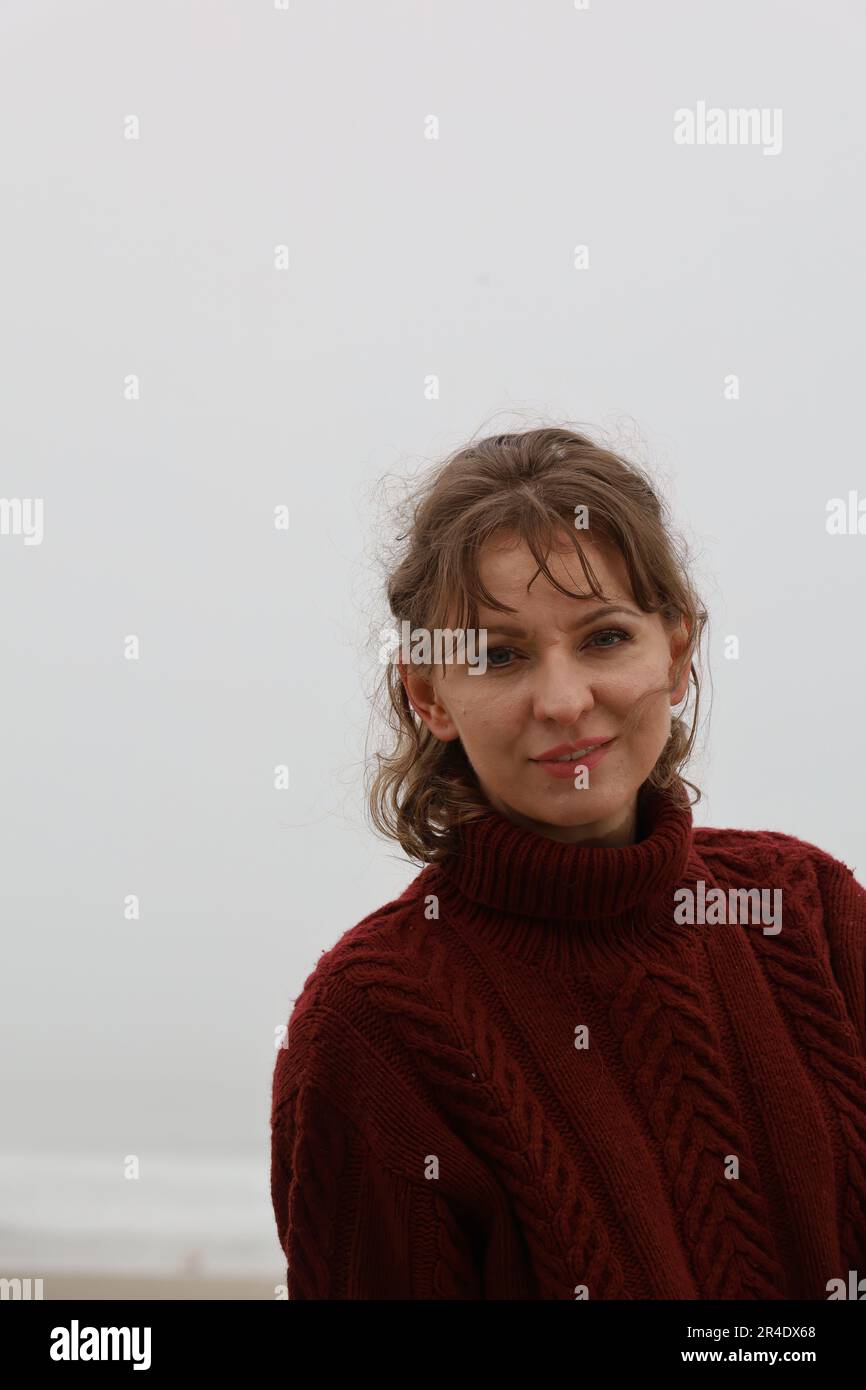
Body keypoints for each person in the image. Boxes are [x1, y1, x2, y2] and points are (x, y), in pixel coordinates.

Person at [270, 425, 866, 1299]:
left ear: (677, 653)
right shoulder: (372, 1025)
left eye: (603, 638)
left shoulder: (807, 912)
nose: (562, 701)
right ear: (429, 695)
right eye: (500, 656)